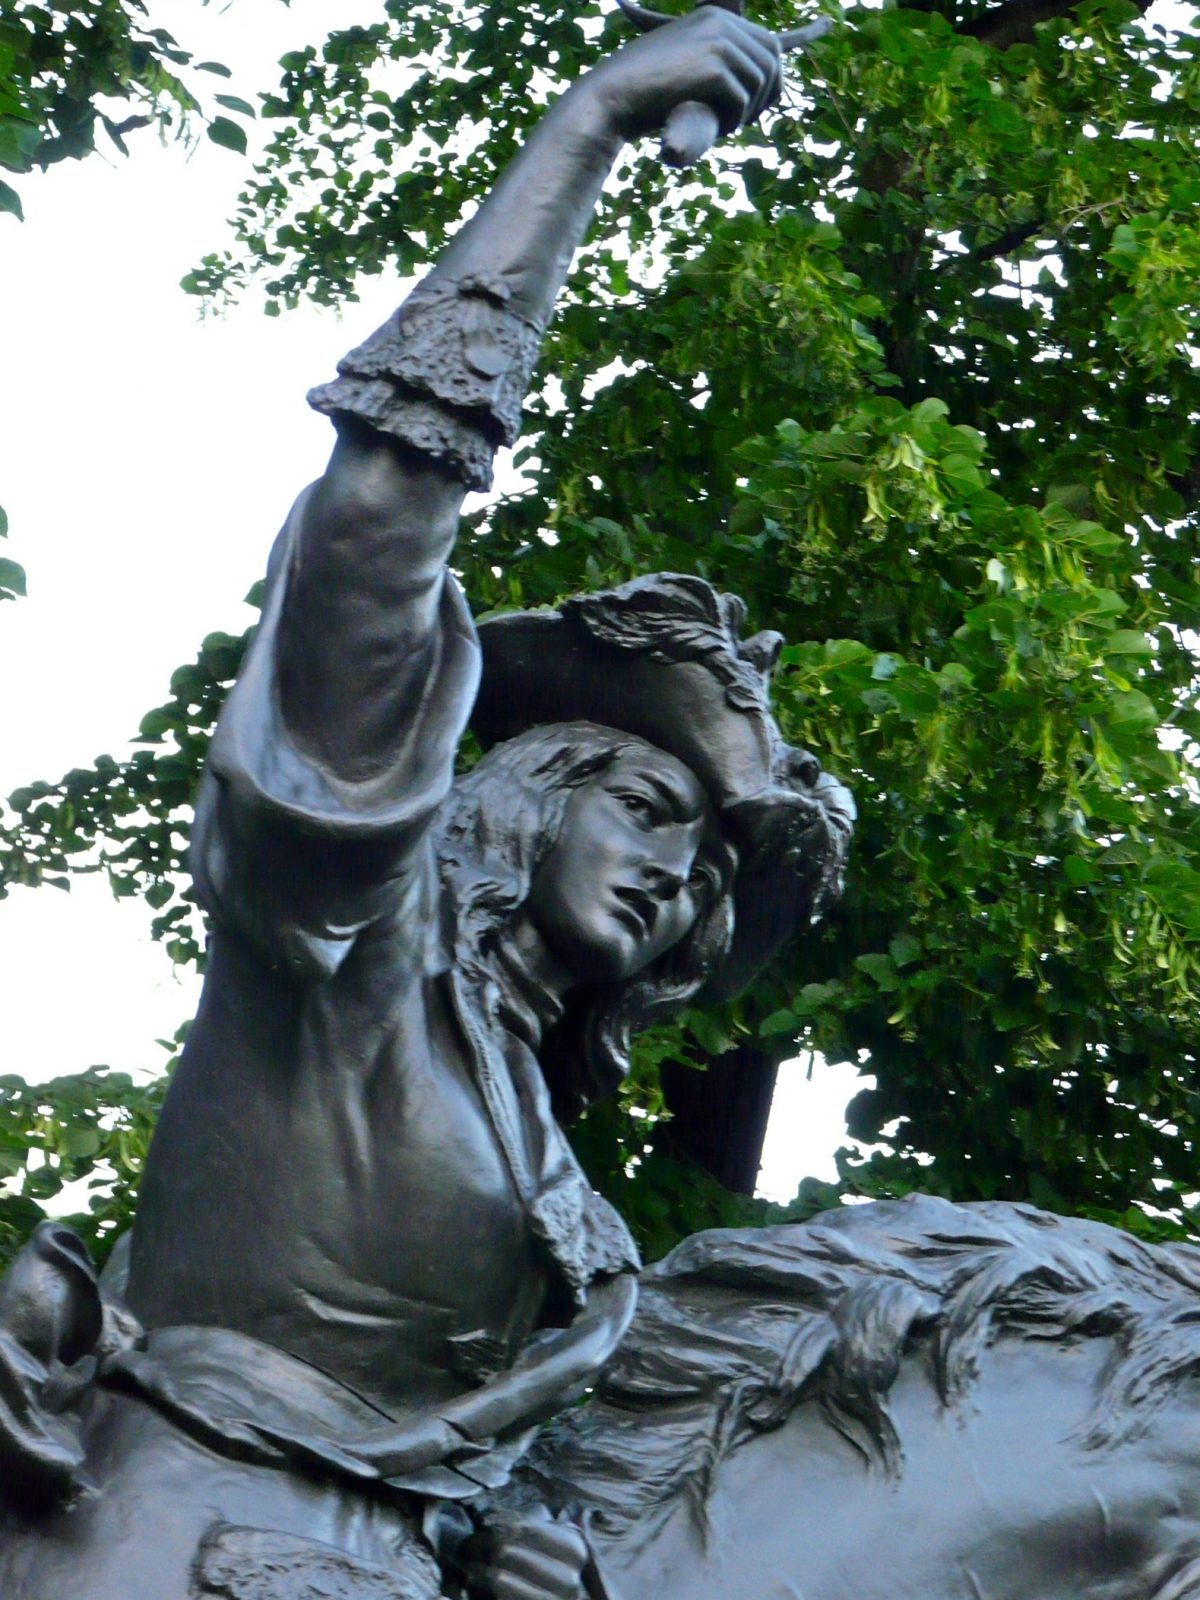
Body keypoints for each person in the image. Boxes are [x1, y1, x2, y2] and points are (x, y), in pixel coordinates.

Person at [0, 10, 852, 1598]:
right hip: (154, 1551)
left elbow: (466, 1469)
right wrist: (589, 130)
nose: (681, 875)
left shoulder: (561, 1179)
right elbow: (375, 527)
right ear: (523, 794)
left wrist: (518, 1550)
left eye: (713, 876)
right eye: (652, 808)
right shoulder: (339, 956)